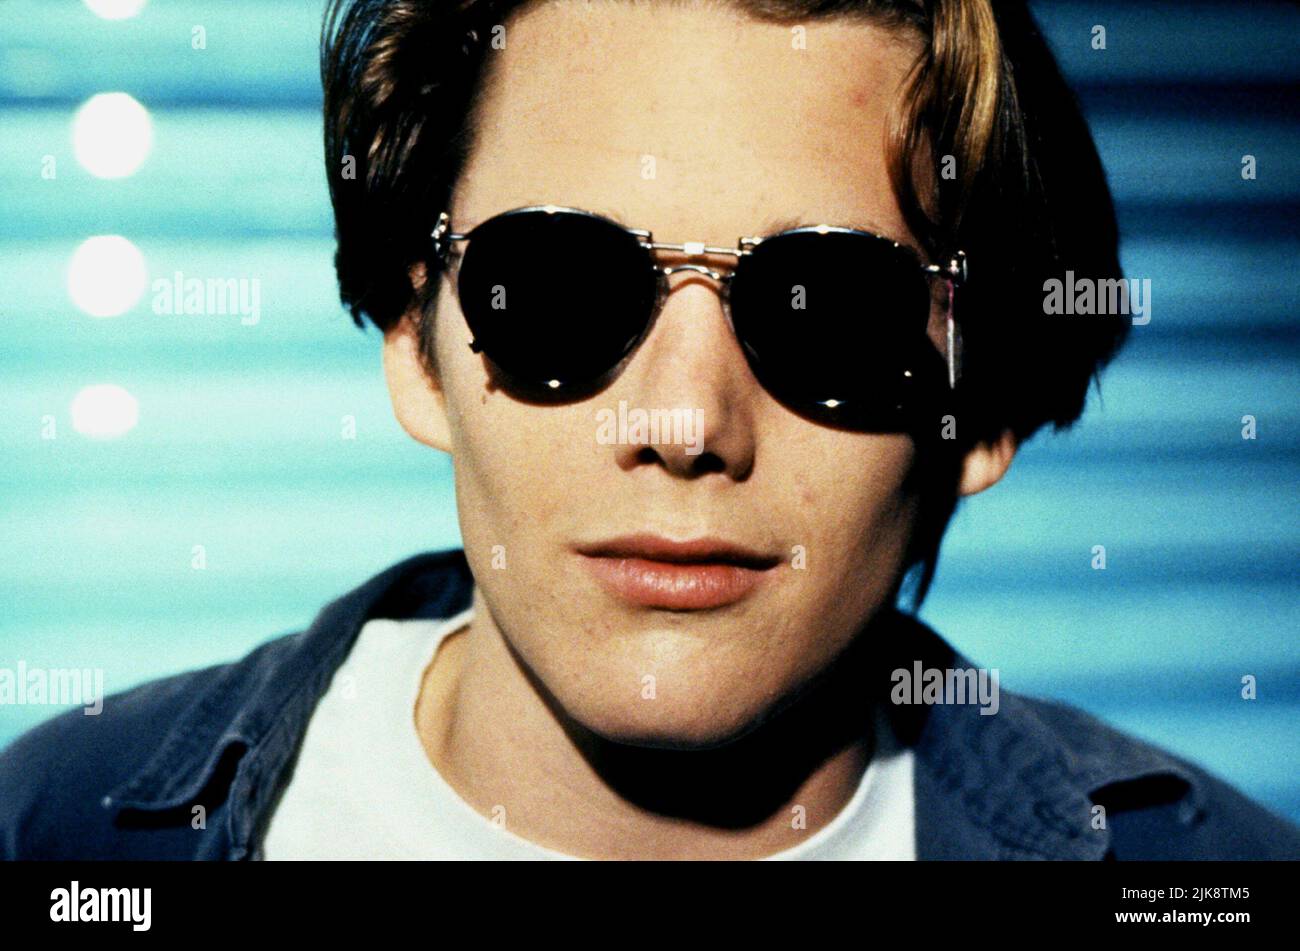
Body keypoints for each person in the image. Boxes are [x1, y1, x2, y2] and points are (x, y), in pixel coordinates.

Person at [2, 0, 1296, 860]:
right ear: (415, 343)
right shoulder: (60, 828)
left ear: (980, 407)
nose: (684, 423)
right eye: (559, 288)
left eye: (833, 311)